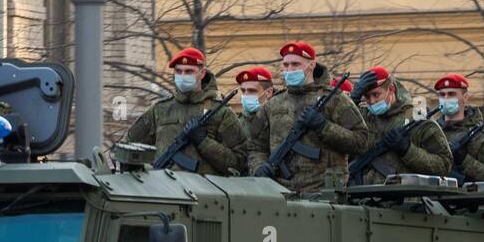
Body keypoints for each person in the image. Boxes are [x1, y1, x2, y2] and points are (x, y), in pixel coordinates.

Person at [247, 40, 369, 192]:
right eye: (286, 65)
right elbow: (256, 146)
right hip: (279, 192)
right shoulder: (272, 105)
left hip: (325, 192)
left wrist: (324, 127)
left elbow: (361, 141)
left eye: (295, 64)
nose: (290, 69)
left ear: (311, 65)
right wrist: (259, 168)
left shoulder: (335, 100)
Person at [124, 47, 247, 176]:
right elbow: (130, 145)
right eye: (178, 71)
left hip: (204, 187)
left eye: (189, 71)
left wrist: (203, 142)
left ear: (202, 73)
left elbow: (240, 162)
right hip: (163, 186)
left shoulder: (221, 112)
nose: (183, 76)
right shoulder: (160, 110)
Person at [348, 65, 452, 184]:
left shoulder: (416, 117)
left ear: (391, 89)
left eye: (376, 95)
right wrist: (352, 99)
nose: (372, 101)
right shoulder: (363, 116)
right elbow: (337, 137)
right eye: (367, 97)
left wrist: (407, 149)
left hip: (403, 194)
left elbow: (444, 165)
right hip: (361, 193)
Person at [434, 73, 484, 184]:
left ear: (465, 98)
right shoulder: (430, 132)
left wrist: (465, 160)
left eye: (451, 94)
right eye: (442, 95)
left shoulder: (481, 137)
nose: (446, 99)